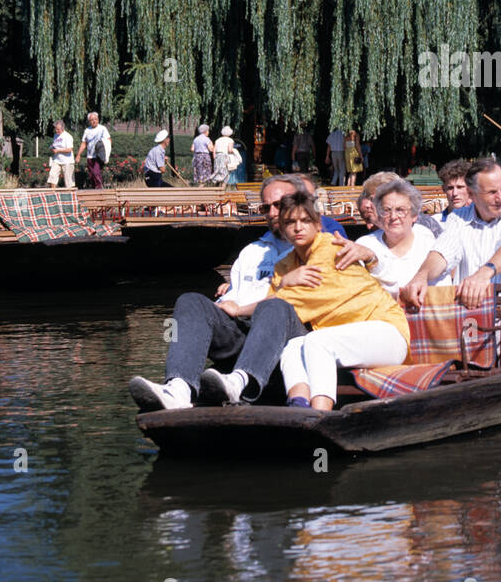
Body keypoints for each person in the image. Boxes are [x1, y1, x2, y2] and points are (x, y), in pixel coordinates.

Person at [126, 174, 368, 410]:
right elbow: (232, 298)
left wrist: (369, 255)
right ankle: (178, 388)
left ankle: (241, 382)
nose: (272, 213)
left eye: (279, 205)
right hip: (243, 333)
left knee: (275, 305)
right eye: (265, 207)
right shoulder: (252, 251)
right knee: (190, 301)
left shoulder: (316, 247)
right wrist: (215, 310)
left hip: (293, 338)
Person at [400, 160, 501, 372]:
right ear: (473, 195)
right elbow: (442, 253)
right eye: (492, 192)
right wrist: (421, 276)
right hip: (470, 318)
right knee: (426, 353)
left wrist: (484, 274)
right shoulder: (458, 218)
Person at [271, 192, 410, 410]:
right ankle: (298, 405)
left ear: (318, 224)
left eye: (305, 221)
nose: (297, 228)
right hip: (347, 339)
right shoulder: (284, 266)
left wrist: (238, 309)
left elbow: (284, 301)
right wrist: (283, 283)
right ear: (281, 227)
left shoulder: (331, 249)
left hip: (387, 333)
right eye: (290, 222)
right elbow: (271, 305)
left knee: (317, 341)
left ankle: (320, 414)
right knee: (293, 345)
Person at [352, 179, 446, 296]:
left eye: (400, 210)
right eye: (386, 210)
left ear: (414, 216)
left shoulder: (428, 244)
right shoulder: (366, 245)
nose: (393, 216)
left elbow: (441, 289)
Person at [79, 111, 111, 189]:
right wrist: (78, 155)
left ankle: (99, 189)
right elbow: (84, 143)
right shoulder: (87, 131)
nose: (94, 121)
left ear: (98, 120)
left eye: (95, 119)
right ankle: (94, 190)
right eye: (92, 120)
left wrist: (106, 153)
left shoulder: (102, 129)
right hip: (90, 156)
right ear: (89, 121)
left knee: (96, 172)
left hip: (99, 155)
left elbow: (109, 140)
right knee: (91, 175)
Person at [46, 120, 75, 188]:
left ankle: (70, 193)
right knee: (52, 176)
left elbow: (70, 149)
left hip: (67, 161)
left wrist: (58, 150)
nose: (56, 131)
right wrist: (52, 148)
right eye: (55, 129)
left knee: (68, 181)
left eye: (58, 129)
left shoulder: (68, 136)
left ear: (63, 128)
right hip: (57, 160)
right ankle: (53, 192)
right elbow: (54, 145)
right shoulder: (55, 135)